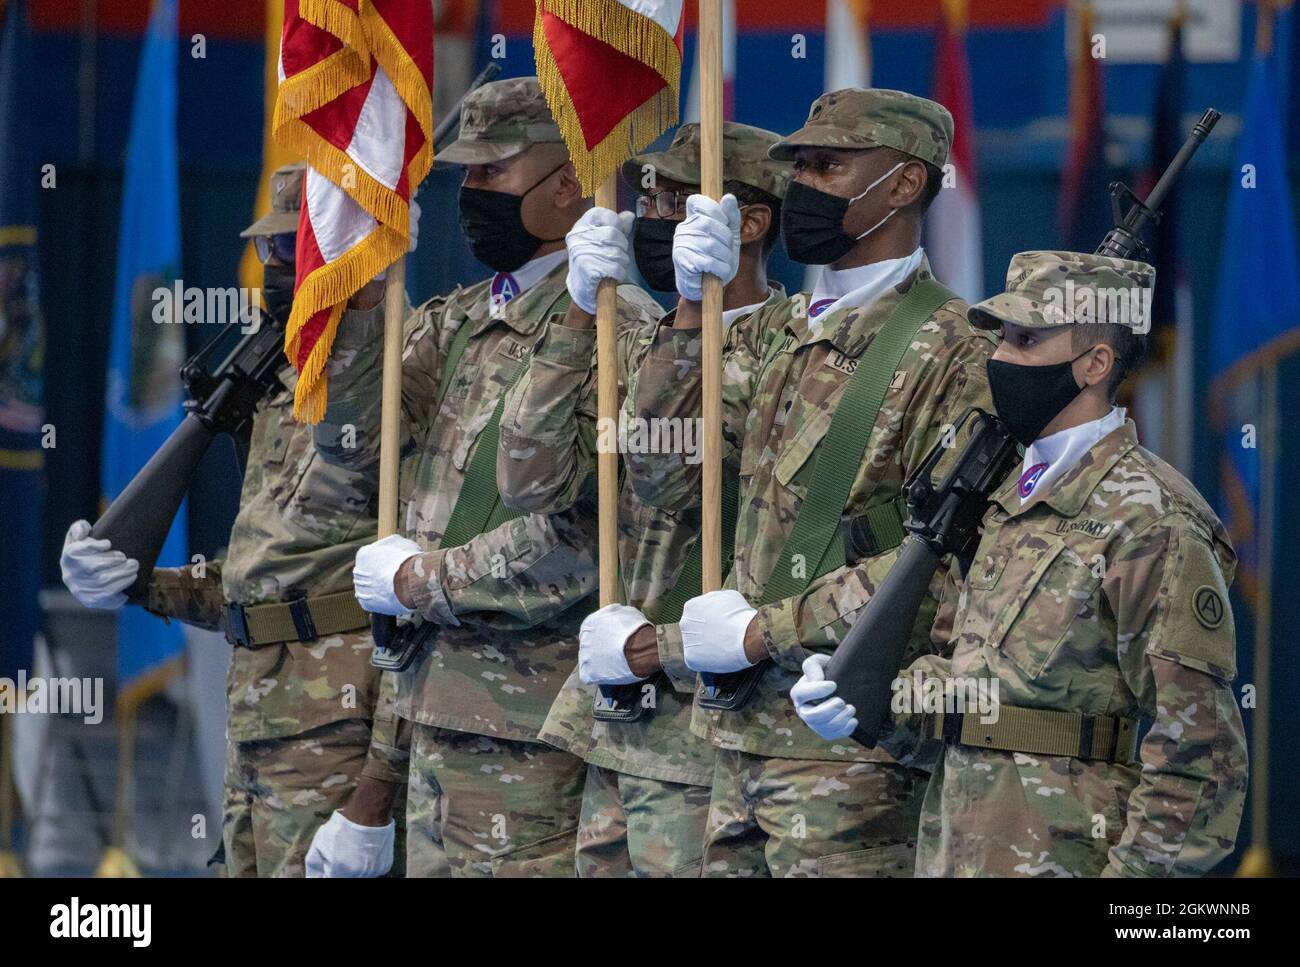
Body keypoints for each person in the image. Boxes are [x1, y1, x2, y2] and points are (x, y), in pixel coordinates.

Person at [594, 88, 998, 876]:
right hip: (735, 741)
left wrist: (760, 633)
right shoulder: (783, 330)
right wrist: (685, 314)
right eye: (799, 165)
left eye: (830, 164)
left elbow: (948, 559)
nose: (804, 184)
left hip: (849, 757)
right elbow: (668, 478)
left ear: (906, 183)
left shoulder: (959, 350)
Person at [792, 251, 1249, 877]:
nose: (1000, 358)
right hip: (955, 847)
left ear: (1094, 364)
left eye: (1027, 340)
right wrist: (868, 702)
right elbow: (969, 683)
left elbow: (1199, 753)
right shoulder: (1000, 497)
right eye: (1001, 338)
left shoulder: (1153, 519)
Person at [308, 76, 663, 877]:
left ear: (568, 183)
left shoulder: (621, 328)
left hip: (532, 716)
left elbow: (586, 536)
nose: (471, 192)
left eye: (491, 173)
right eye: (463, 173)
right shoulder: (461, 318)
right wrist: (360, 302)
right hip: (430, 703)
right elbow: (351, 442)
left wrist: (421, 580)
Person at [59, 163, 412, 878]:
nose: (276, 269)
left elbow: (419, 607)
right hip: (256, 719)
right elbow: (249, 585)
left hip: (341, 722)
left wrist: (379, 787)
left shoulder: (405, 374)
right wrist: (132, 581)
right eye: (270, 253)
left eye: (296, 251)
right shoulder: (278, 392)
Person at [496, 121, 791, 876]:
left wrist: (696, 318)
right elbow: (526, 477)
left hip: (715, 725)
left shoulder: (792, 351)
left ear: (747, 224)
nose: (649, 216)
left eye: (674, 200)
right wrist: (574, 310)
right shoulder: (632, 340)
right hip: (615, 711)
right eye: (646, 196)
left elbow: (671, 480)